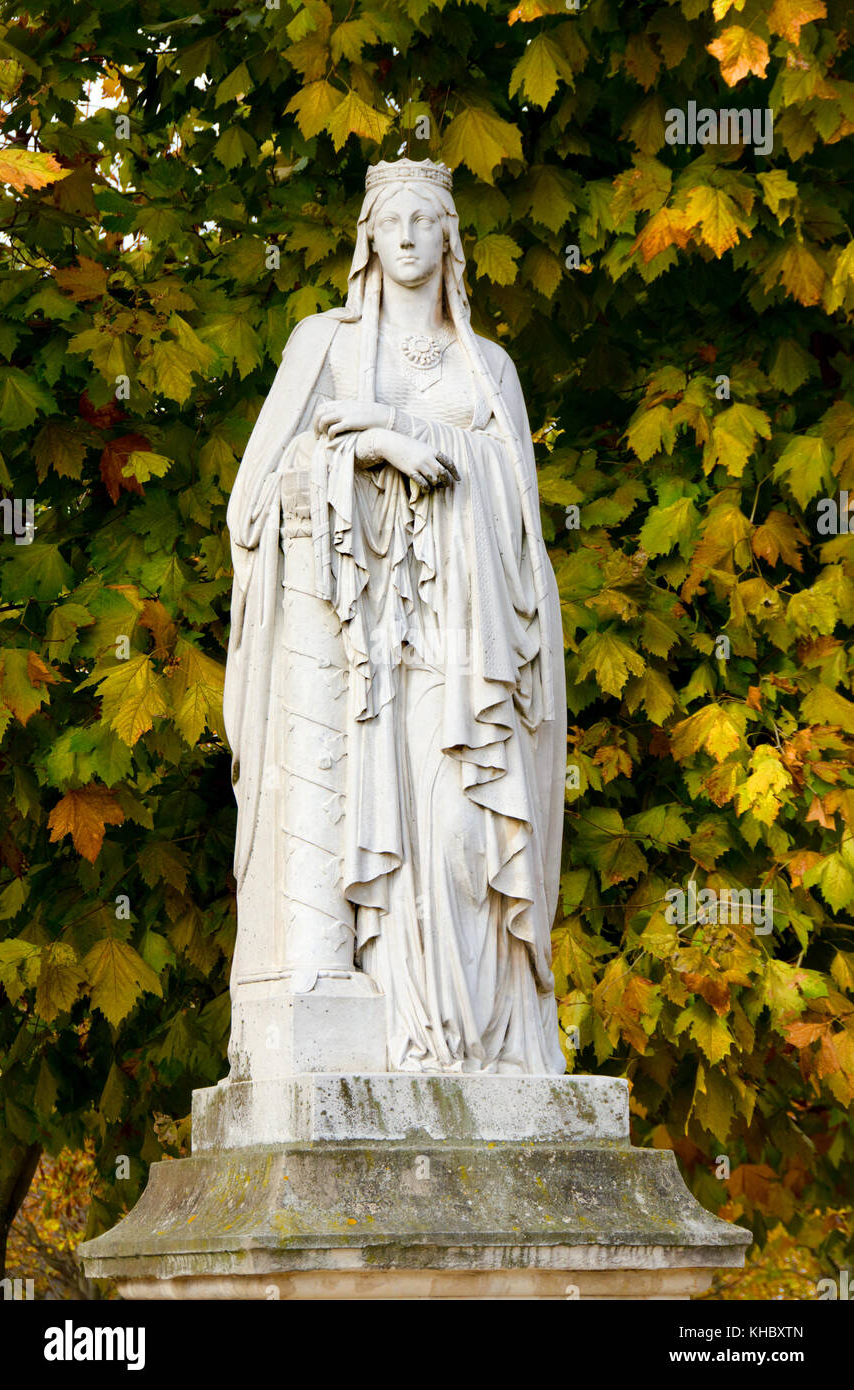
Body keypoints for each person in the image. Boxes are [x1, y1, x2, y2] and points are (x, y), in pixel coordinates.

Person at [225, 158, 566, 1074]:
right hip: (364, 652)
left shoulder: (486, 366)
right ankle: (407, 1022)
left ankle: (482, 1042)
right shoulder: (324, 346)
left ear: (452, 238)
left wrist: (406, 432)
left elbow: (522, 511)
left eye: (427, 220)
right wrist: (369, 442)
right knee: (400, 833)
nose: (410, 236)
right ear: (368, 239)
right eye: (393, 221)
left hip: (475, 643)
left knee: (466, 836)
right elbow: (255, 500)